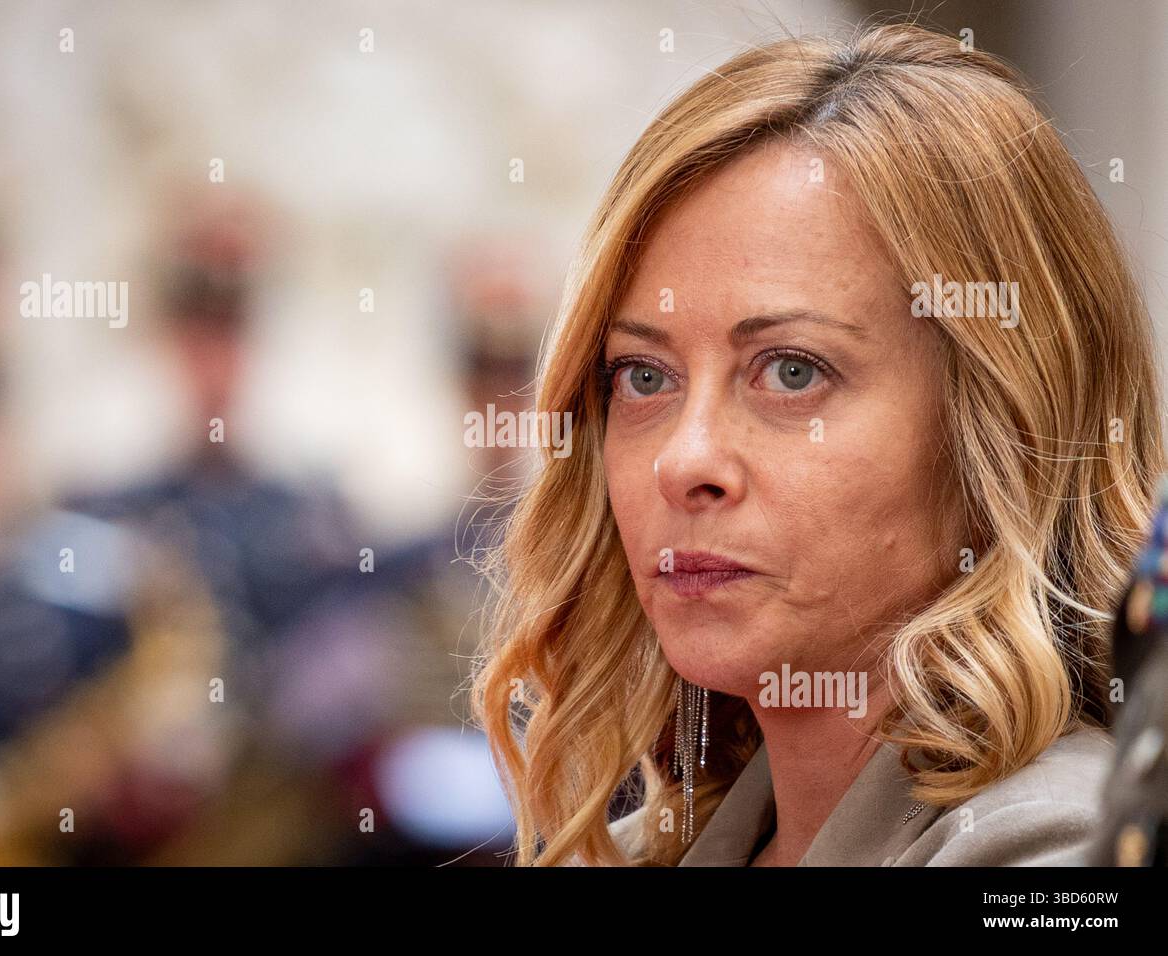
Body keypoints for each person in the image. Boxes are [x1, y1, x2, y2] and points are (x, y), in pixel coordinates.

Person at [468, 23, 1167, 866]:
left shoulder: (1060, 857)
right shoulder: (628, 852)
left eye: (792, 371)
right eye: (643, 377)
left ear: (1005, 427)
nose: (684, 462)